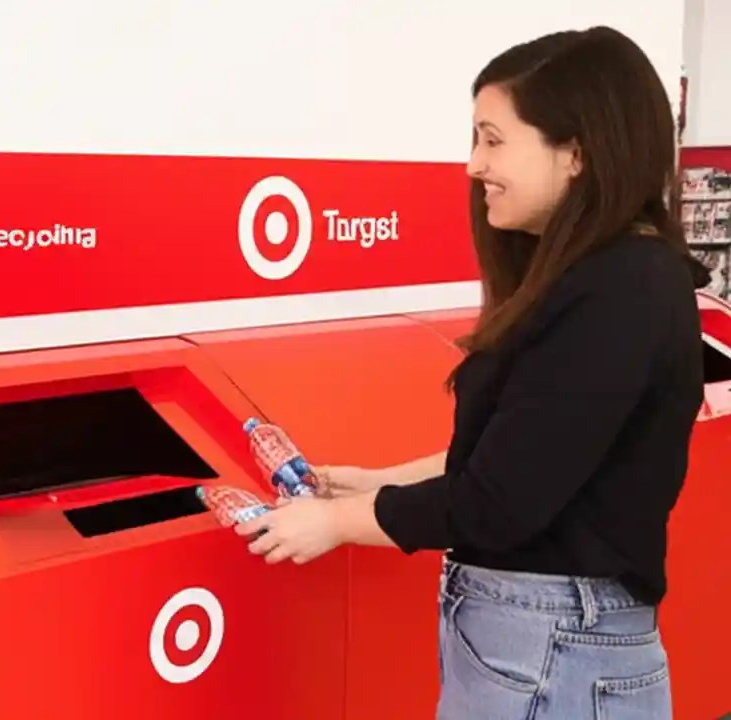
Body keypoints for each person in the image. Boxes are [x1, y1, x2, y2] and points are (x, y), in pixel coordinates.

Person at [235, 26, 710, 720]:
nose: (473, 165)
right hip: (542, 645)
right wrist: (381, 482)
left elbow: (500, 502)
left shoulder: (621, 289)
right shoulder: (603, 280)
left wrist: (338, 521)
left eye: (493, 139)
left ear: (576, 152)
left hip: (553, 649)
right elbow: (526, 456)